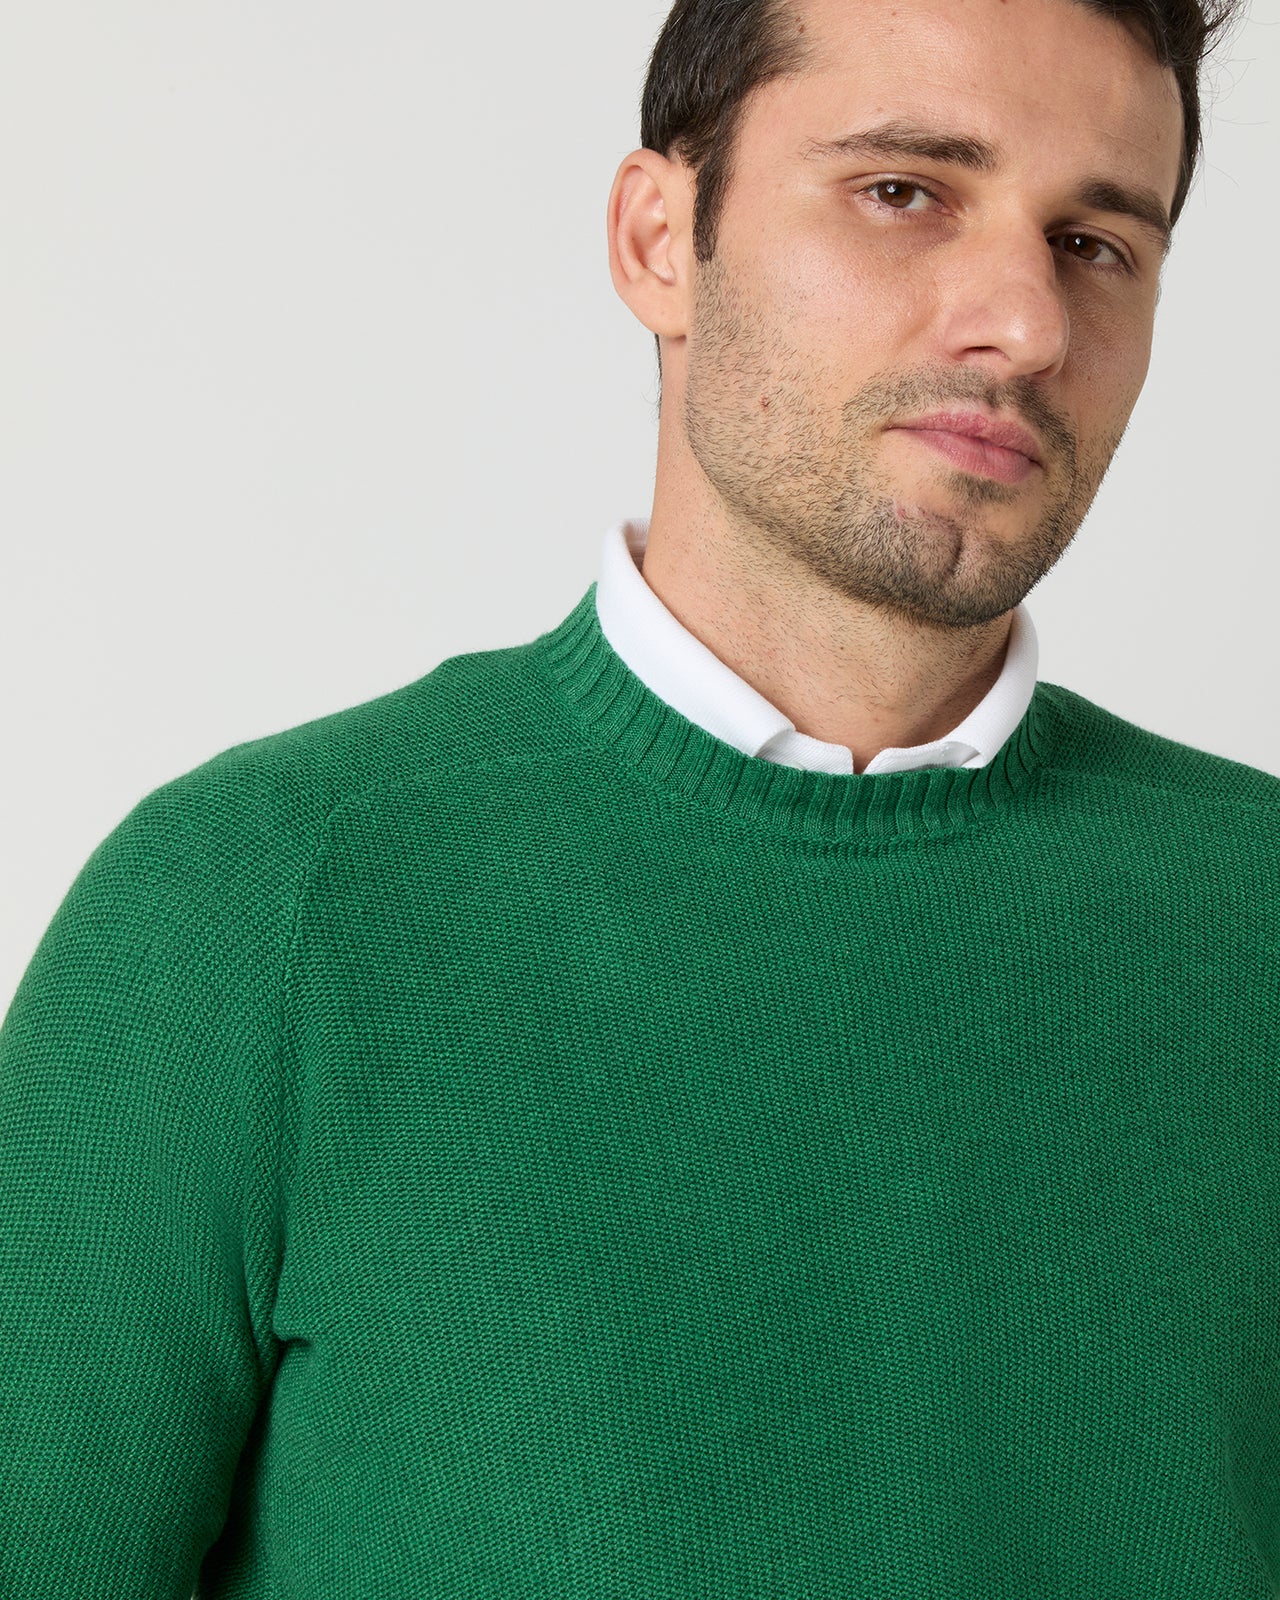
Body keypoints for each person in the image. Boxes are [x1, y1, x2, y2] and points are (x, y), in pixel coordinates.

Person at [0, 0, 1268, 1592]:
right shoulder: (255, 906)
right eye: (903, 191)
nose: (1024, 321)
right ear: (661, 240)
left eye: (1095, 243)